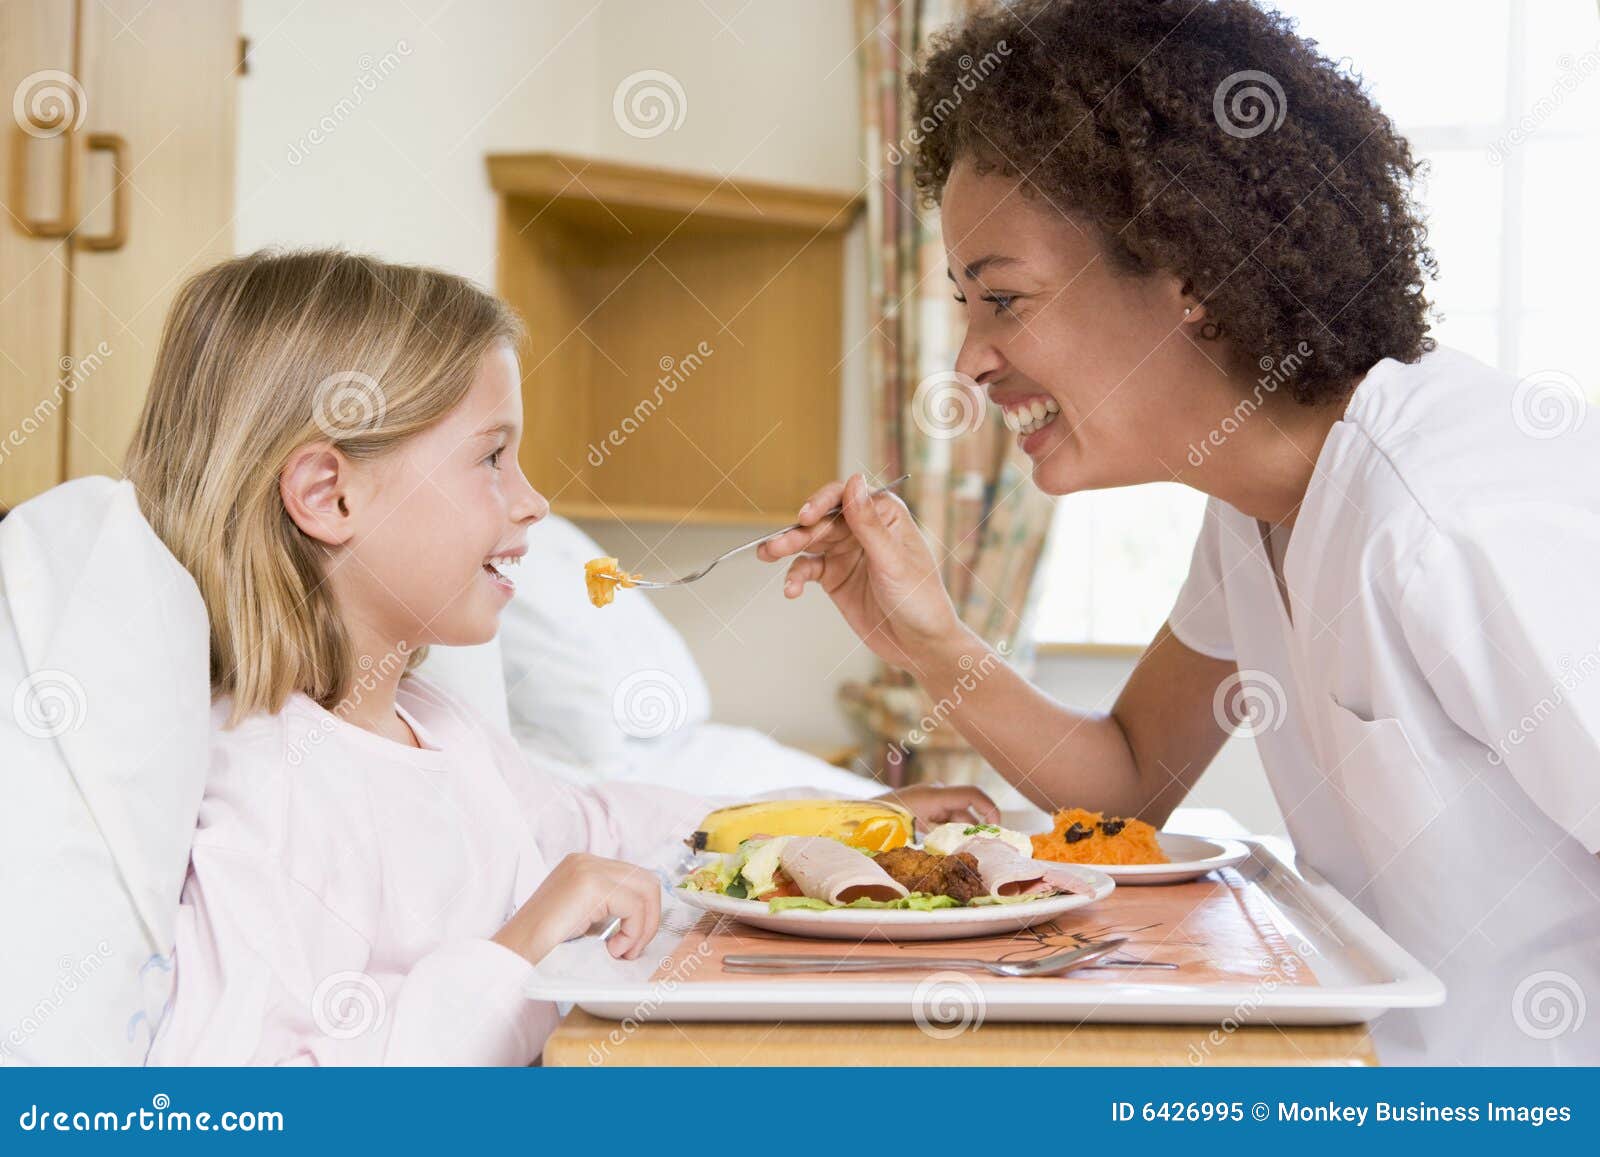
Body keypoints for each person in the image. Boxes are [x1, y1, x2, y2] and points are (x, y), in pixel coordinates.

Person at [761, 0, 1600, 1064]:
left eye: (1003, 299)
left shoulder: (1457, 515)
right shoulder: (1255, 507)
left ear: (1192, 273)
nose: (969, 361)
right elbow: (1129, 781)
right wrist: (928, 638)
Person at [128, 249, 995, 1064]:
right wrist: (523, 945)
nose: (535, 502)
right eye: (492, 458)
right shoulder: (266, 785)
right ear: (330, 493)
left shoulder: (437, 730)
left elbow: (607, 827)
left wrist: (847, 818)